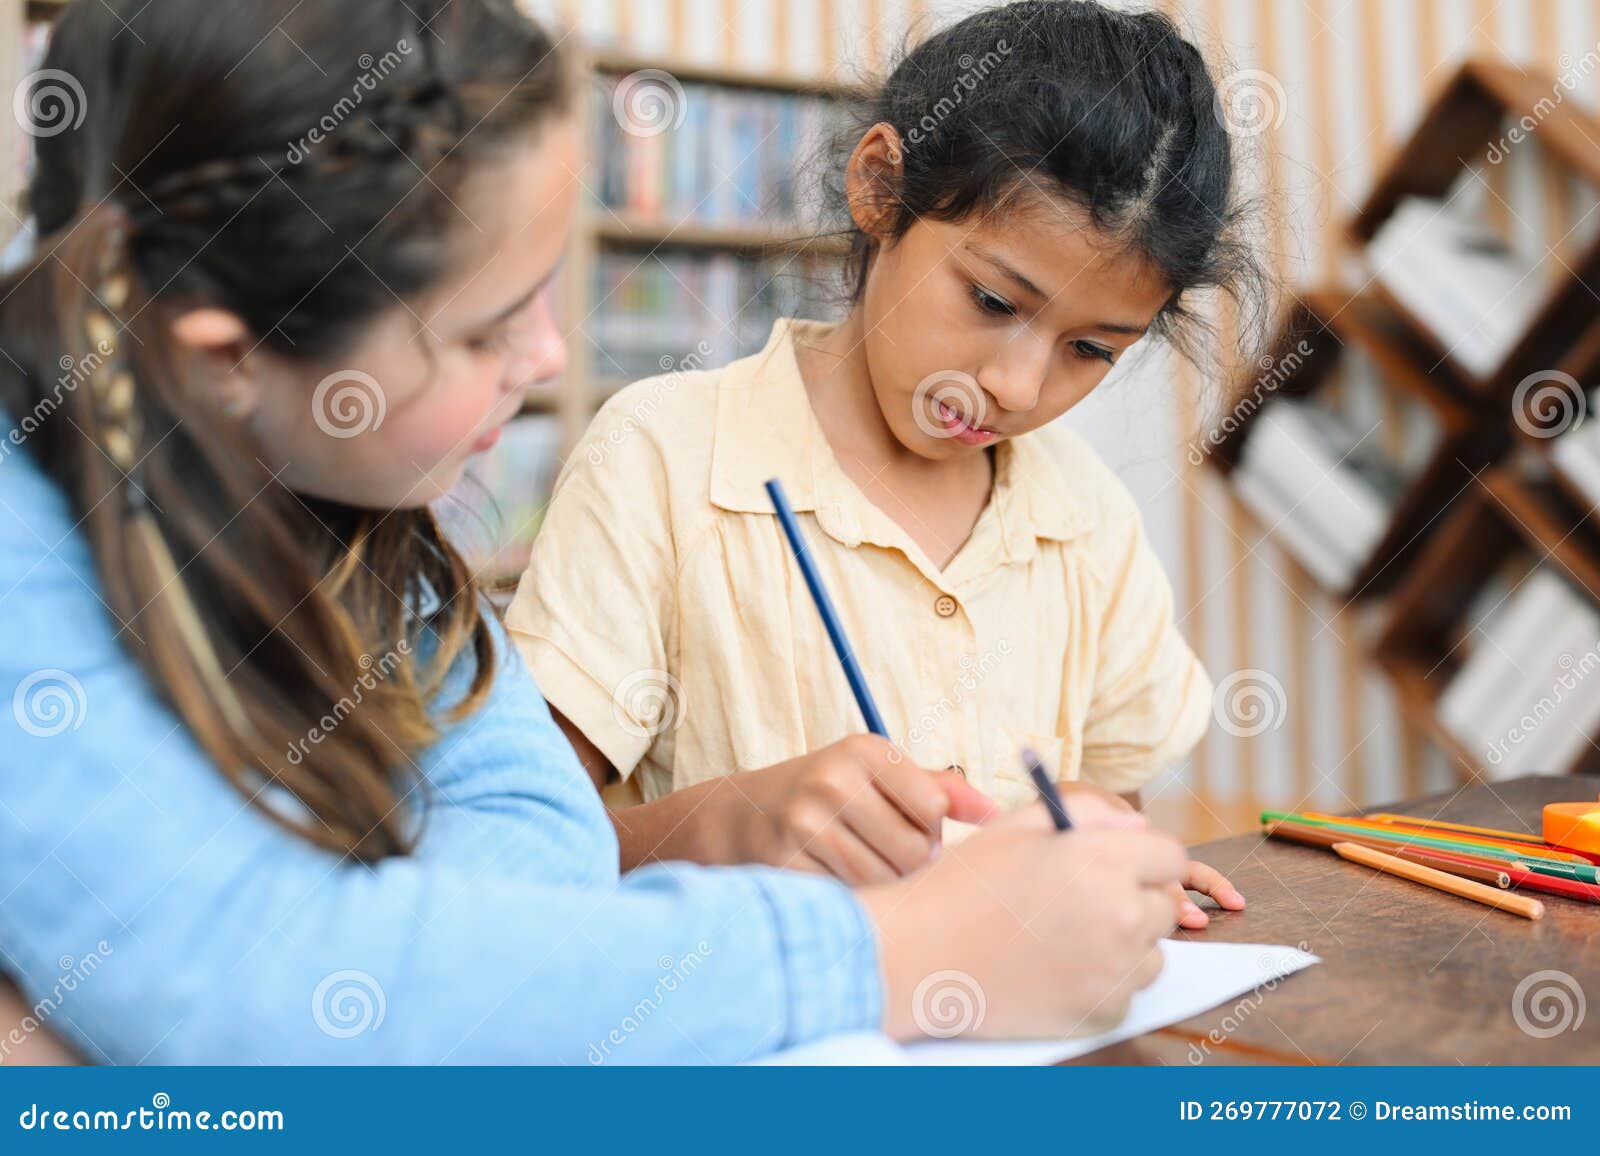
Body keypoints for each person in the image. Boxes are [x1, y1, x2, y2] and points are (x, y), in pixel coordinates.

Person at [0, 0, 1186, 1064]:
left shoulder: (362, 528)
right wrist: (892, 957)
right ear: (229, 362)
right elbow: (278, 990)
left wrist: (429, 966)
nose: (550, 359)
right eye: (484, 331)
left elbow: (535, 849)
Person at [509, 0, 1254, 926]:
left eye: (1092, 350)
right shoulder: (662, 457)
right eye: (991, 299)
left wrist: (1106, 854)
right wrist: (732, 826)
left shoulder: (1086, 519)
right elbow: (509, 862)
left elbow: (1111, 808)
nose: (1018, 386)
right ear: (879, 188)